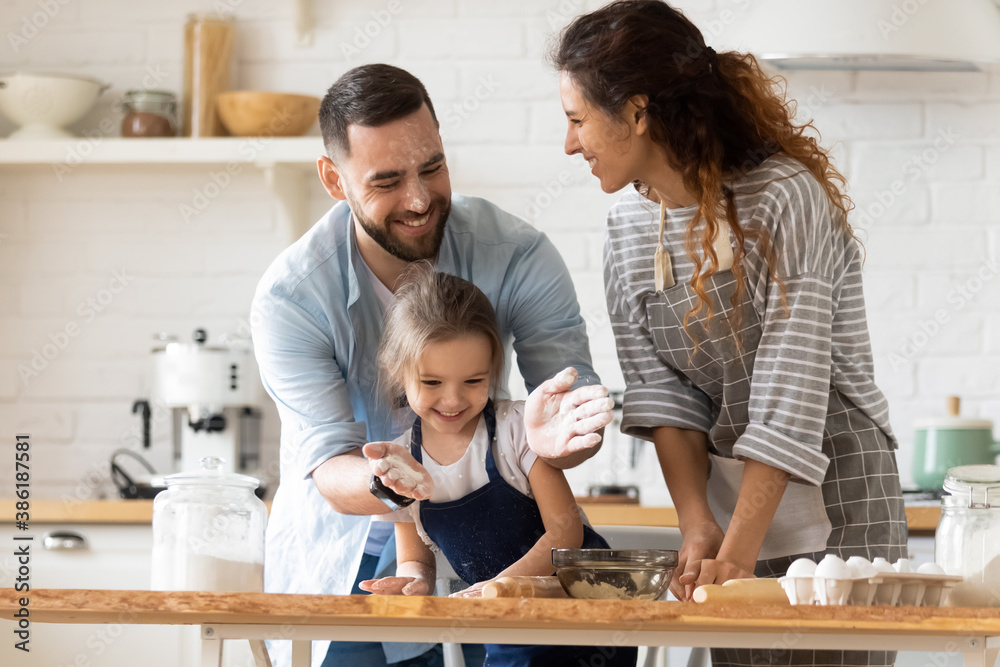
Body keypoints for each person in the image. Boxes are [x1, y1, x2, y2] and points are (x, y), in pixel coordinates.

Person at [554, 2, 907, 666]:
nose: (569, 143)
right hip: (728, 506)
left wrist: (737, 550)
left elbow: (789, 388)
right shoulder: (629, 233)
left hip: (842, 498)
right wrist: (698, 526)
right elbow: (664, 395)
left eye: (576, 120)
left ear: (636, 111)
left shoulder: (783, 198)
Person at [251, 63, 614, 667]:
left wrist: (553, 444)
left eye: (432, 167)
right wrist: (393, 481)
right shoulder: (292, 296)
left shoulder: (518, 255)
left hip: (493, 554)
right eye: (387, 180)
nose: (419, 199)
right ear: (334, 180)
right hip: (350, 556)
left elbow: (571, 409)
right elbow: (326, 461)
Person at [359, 268, 638, 667]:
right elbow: (415, 556)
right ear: (396, 371)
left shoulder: (516, 430)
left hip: (585, 606)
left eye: (473, 380)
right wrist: (415, 580)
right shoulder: (402, 465)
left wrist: (503, 585)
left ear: (493, 368)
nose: (453, 400)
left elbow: (566, 532)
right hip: (506, 620)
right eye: (433, 382)